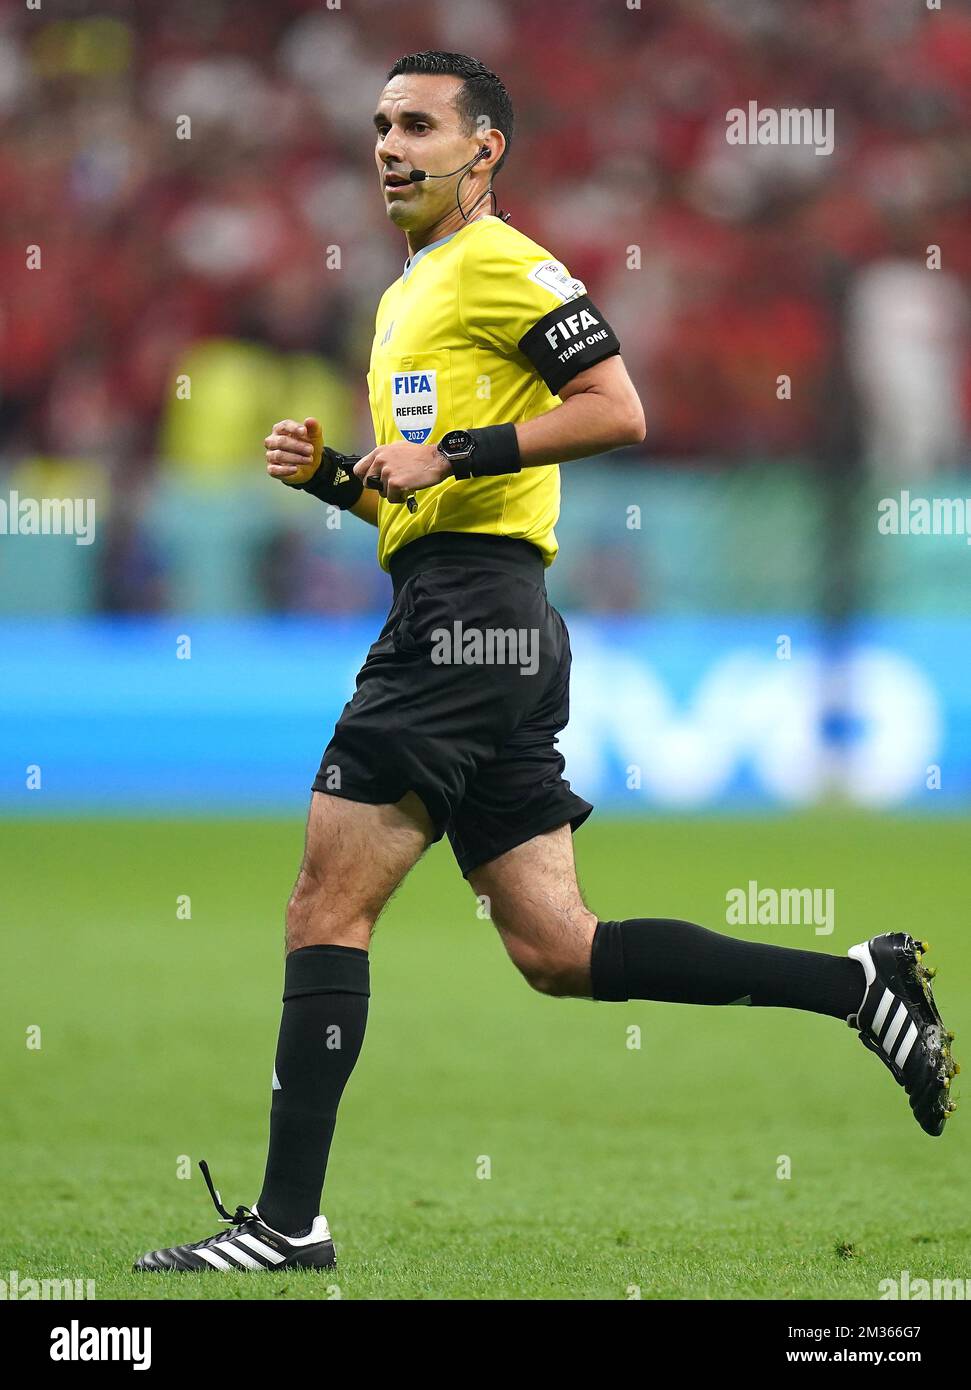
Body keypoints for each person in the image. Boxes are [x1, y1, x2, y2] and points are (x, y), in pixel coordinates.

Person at [134, 51, 957, 1276]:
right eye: (378, 125)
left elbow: (618, 407)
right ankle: (855, 987)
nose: (389, 145)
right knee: (556, 950)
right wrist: (338, 481)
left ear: (484, 150)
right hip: (485, 613)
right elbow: (425, 501)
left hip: (464, 626)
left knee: (325, 905)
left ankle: (285, 1222)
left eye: (418, 124)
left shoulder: (503, 264)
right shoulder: (410, 292)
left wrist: (453, 452)